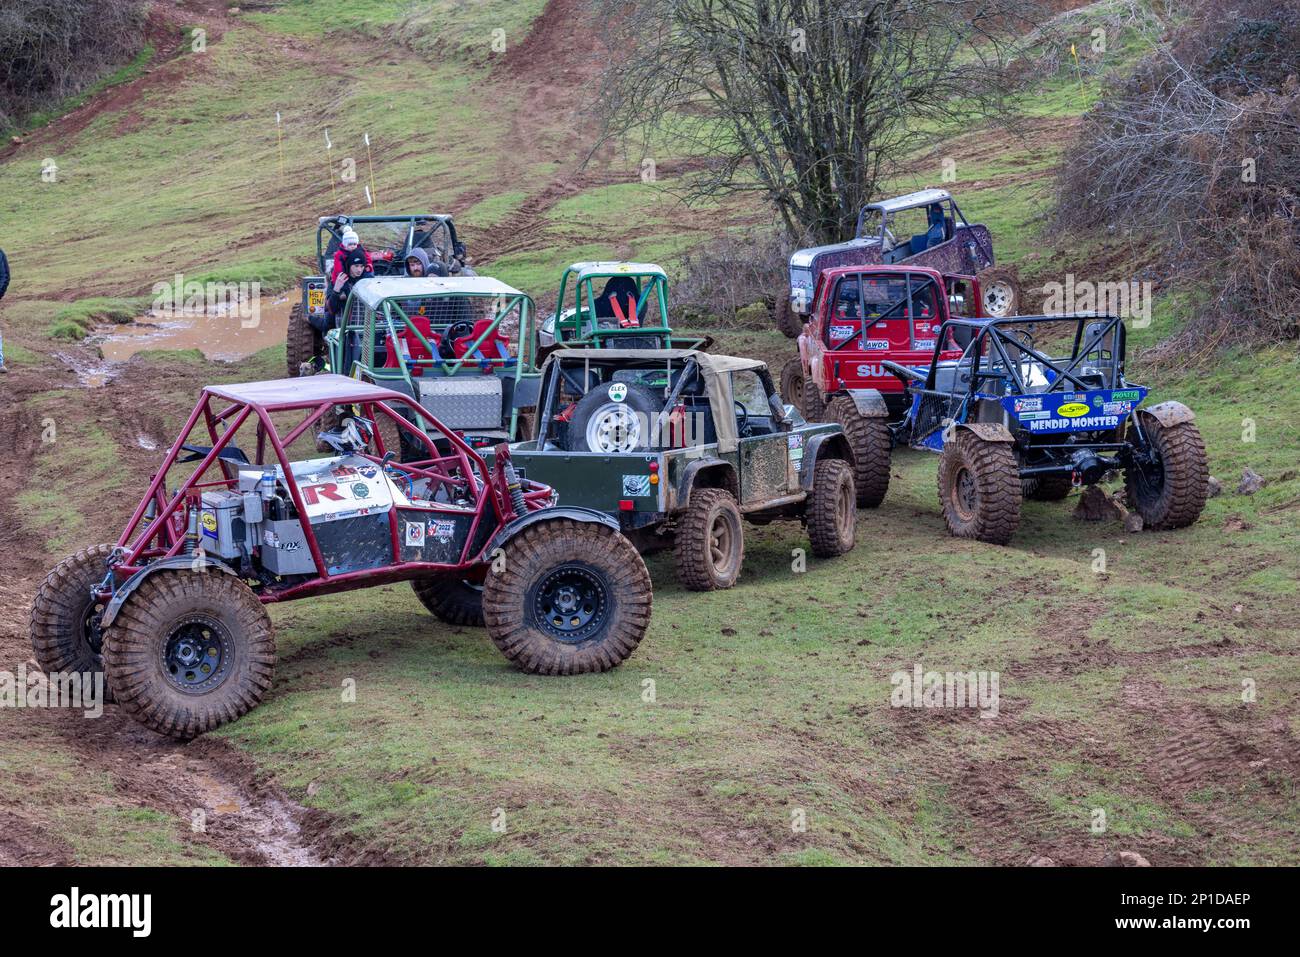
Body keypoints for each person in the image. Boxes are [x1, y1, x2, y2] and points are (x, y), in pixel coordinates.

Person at [319, 248, 373, 331]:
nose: (359, 270)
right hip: (343, 332)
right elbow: (331, 309)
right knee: (325, 324)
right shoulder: (338, 281)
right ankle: (309, 318)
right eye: (356, 266)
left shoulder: (367, 282)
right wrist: (336, 290)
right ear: (349, 265)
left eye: (362, 266)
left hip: (364, 332)